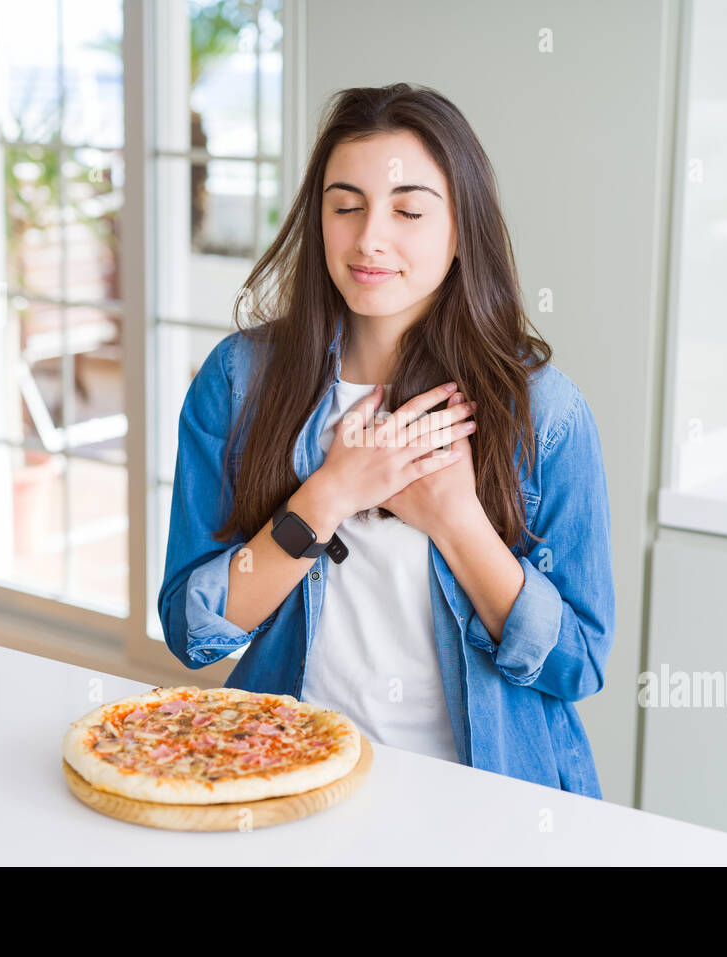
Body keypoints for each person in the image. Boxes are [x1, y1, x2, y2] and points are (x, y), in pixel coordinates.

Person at [158, 83, 616, 799]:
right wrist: (329, 494)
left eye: (407, 211)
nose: (370, 237)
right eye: (346, 207)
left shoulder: (544, 412)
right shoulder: (239, 381)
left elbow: (579, 662)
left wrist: (456, 521)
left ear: (462, 229)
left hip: (484, 802)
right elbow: (192, 630)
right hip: (290, 783)